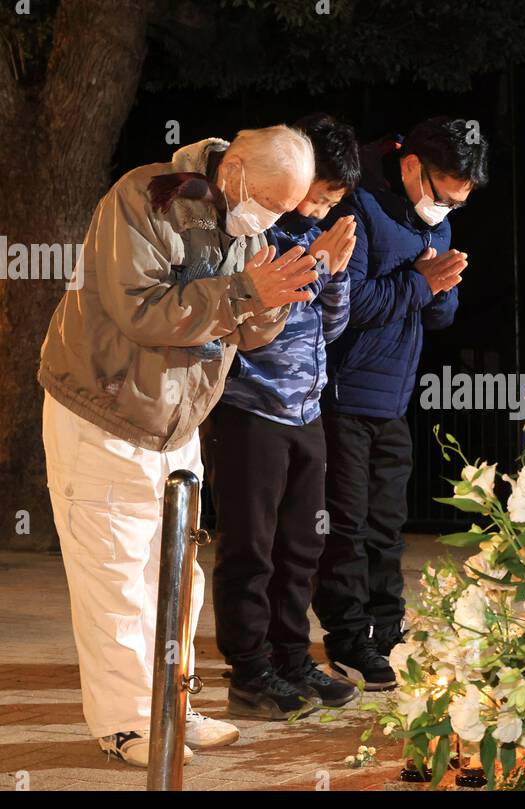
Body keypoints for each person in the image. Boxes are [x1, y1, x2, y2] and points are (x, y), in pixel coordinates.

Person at [38, 126, 319, 767]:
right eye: (269, 202)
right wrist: (248, 293)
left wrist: (275, 302)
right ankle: (124, 723)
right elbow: (142, 310)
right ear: (237, 169)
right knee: (116, 574)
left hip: (177, 427)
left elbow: (247, 336)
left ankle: (172, 705)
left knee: (176, 579)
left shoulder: (246, 227)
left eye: (283, 210)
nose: (271, 218)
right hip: (104, 413)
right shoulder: (144, 196)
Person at [315, 117, 489, 690]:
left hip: (394, 396)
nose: (445, 209)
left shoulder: (433, 225)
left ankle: (387, 631)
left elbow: (442, 313)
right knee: (347, 525)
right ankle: (346, 637)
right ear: (413, 165)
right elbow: (350, 301)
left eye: (458, 204)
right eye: (443, 195)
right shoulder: (360, 204)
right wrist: (420, 283)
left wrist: (438, 289)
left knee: (388, 524)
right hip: (344, 393)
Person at [206, 114, 361, 719]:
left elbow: (329, 329)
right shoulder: (259, 229)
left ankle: (293, 658)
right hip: (251, 409)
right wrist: (316, 266)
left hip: (306, 410)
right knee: (251, 548)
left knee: (301, 547)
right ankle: (249, 670)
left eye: (333, 199)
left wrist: (335, 276)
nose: (320, 207)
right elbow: (255, 334)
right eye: (318, 193)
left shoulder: (316, 238)